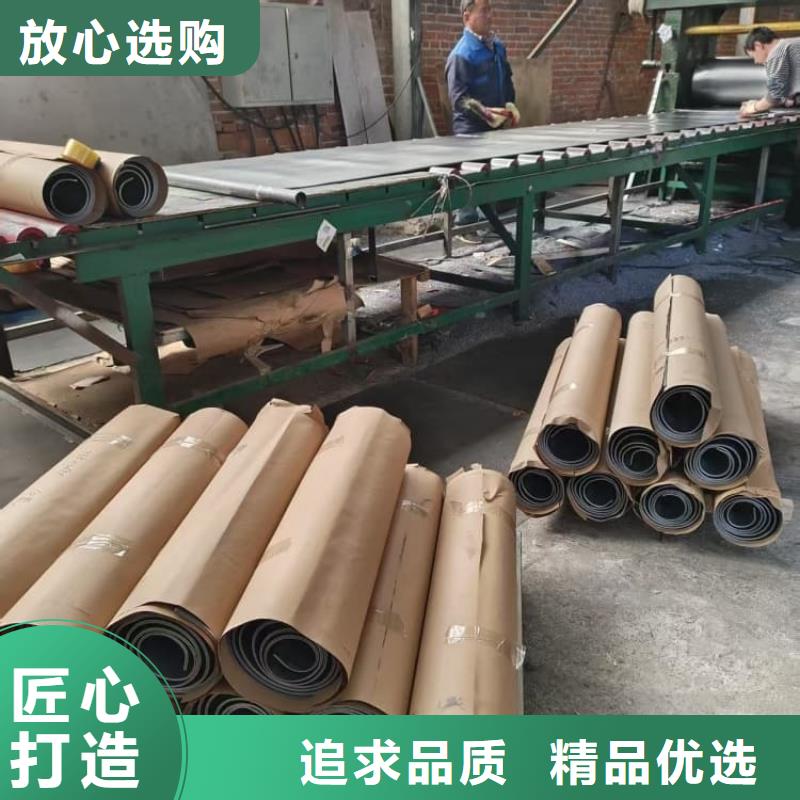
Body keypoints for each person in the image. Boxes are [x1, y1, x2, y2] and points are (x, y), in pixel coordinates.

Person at [446, 0, 516, 224]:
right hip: (470, 132)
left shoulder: (497, 47)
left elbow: (506, 79)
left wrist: (510, 104)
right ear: (467, 17)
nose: (490, 15)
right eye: (484, 11)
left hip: (495, 129)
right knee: (471, 181)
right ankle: (466, 226)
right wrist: (486, 114)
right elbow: (459, 100)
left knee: (492, 179)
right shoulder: (461, 54)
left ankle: (492, 224)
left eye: (490, 10)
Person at [741, 26, 800, 116]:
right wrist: (760, 103)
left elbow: (775, 96)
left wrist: (752, 108)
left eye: (753, 56)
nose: (756, 62)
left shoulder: (777, 53)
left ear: (758, 45)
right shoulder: (791, 44)